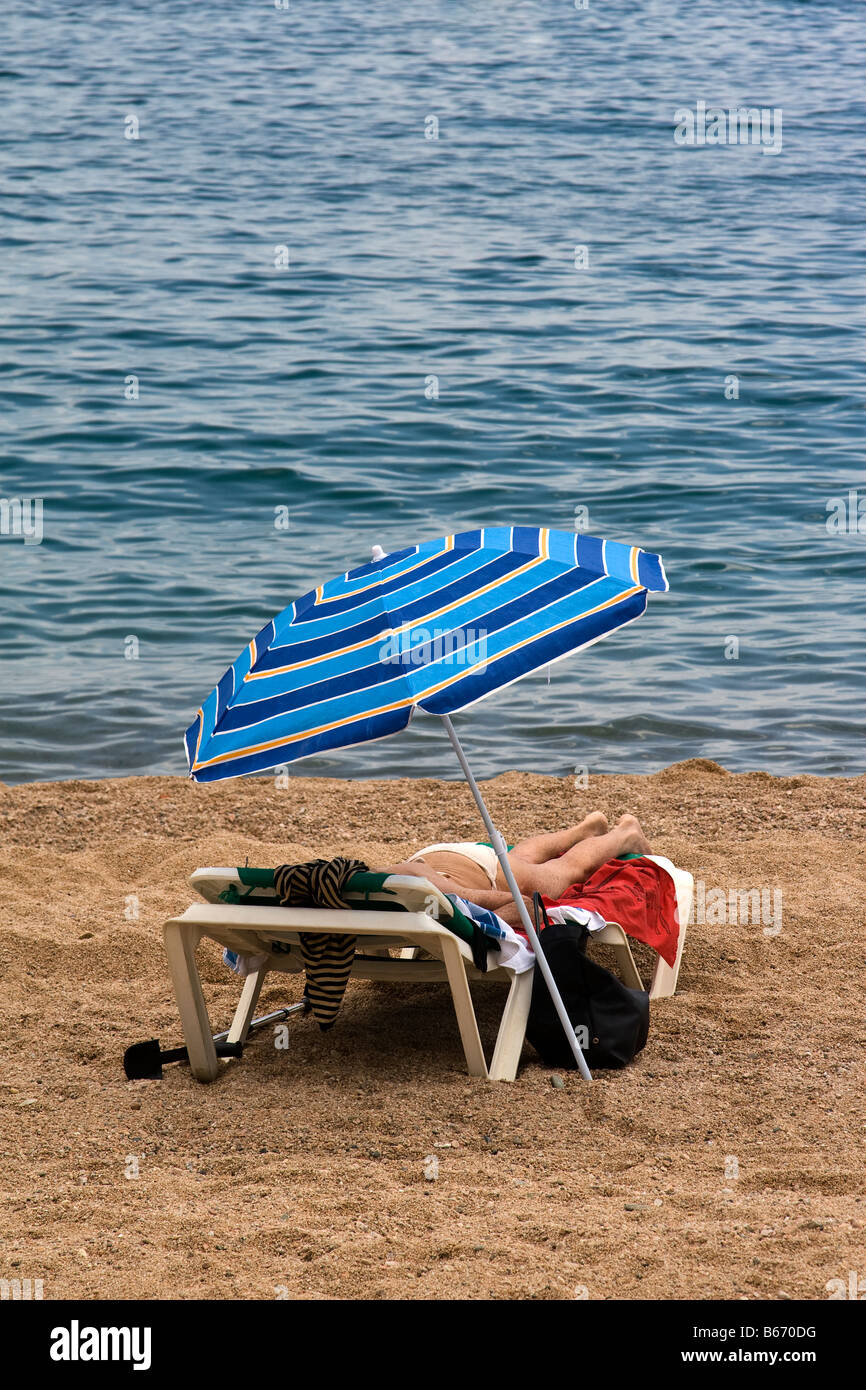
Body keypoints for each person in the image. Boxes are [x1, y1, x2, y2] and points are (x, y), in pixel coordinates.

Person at [389, 812, 651, 928]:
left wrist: (476, 929)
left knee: (564, 872)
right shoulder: (356, 881)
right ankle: (584, 831)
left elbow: (523, 905)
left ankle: (625, 834)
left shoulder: (449, 895)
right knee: (519, 862)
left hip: (471, 870)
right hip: (437, 858)